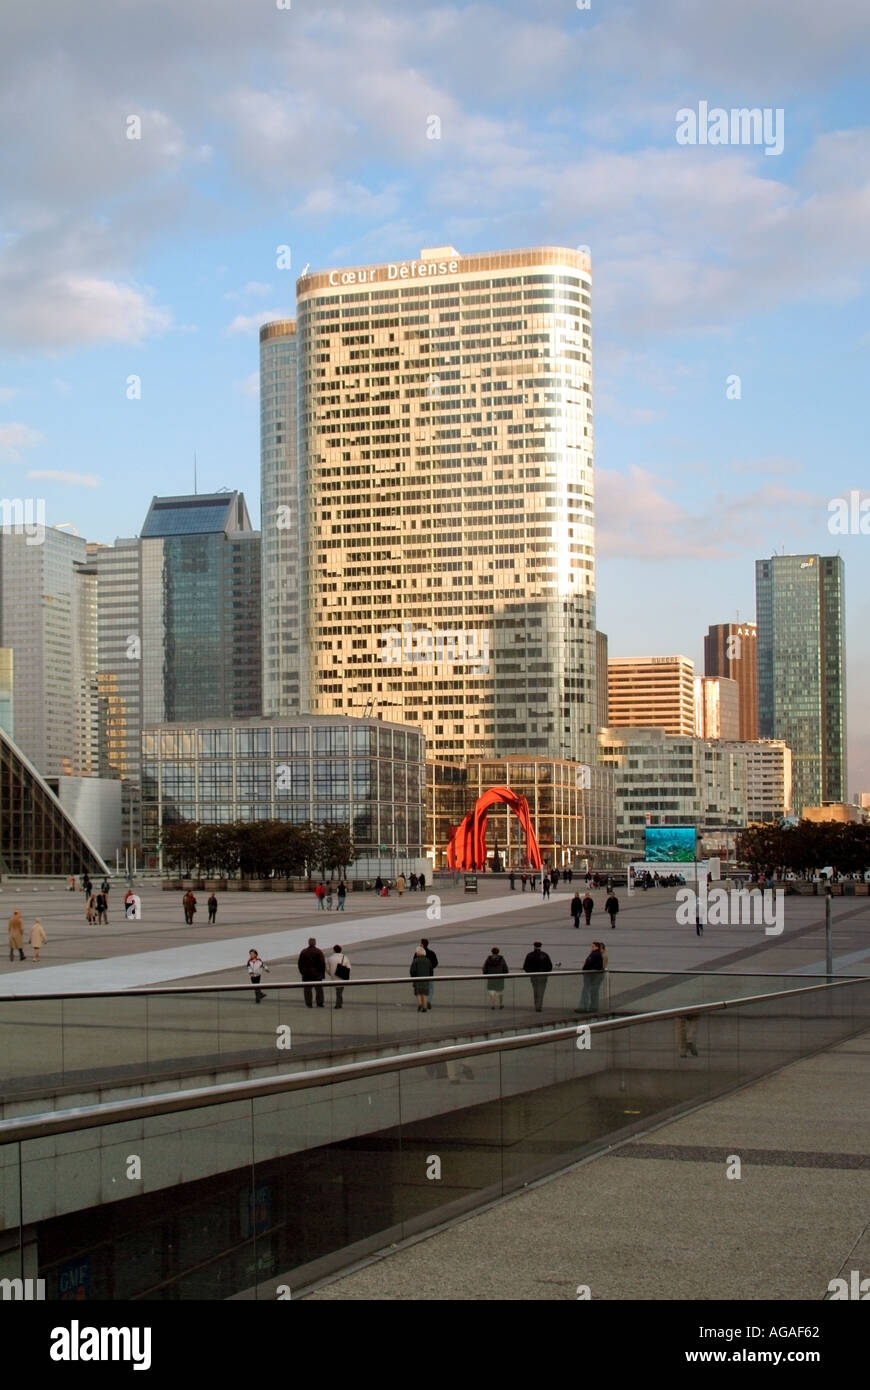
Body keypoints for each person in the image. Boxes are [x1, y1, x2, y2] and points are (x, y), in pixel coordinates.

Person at [577, 941, 607, 1014]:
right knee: (593, 991)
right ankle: (593, 1006)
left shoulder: (598, 955)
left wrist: (585, 968)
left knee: (589, 990)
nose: (591, 948)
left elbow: (600, 966)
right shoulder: (598, 955)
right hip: (595, 974)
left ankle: (585, 1007)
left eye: (593, 946)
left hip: (593, 974)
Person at [523, 941, 553, 1011]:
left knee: (535, 990)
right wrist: (545, 972)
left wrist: (530, 973)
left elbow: (525, 967)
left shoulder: (530, 955)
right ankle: (539, 1005)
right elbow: (550, 967)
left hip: (534, 975)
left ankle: (537, 1004)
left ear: (534, 946)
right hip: (543, 975)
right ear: (540, 946)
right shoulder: (545, 955)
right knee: (541, 990)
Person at [298, 937, 326, 1007]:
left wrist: (302, 972)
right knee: (319, 990)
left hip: (306, 974)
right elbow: (322, 963)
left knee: (307, 990)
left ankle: (309, 1003)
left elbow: (300, 963)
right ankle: (319, 1003)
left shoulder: (303, 951)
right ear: (315, 943)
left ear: (308, 943)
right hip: (317, 975)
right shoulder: (319, 951)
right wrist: (321, 974)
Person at [410, 944, 433, 1011]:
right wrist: (430, 978)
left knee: (418, 993)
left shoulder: (416, 960)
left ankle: (420, 1004)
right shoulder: (428, 961)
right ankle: (425, 1007)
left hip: (417, 979)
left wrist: (413, 978)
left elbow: (412, 970)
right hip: (426, 980)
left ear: (418, 953)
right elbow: (431, 970)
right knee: (425, 993)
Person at [420, 937, 438, 1009]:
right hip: (430, 974)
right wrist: (431, 967)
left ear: (422, 944)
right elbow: (436, 963)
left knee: (422, 988)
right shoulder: (432, 953)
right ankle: (428, 1001)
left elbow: (414, 963)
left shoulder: (418, 953)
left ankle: (422, 1002)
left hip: (420, 974)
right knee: (430, 988)